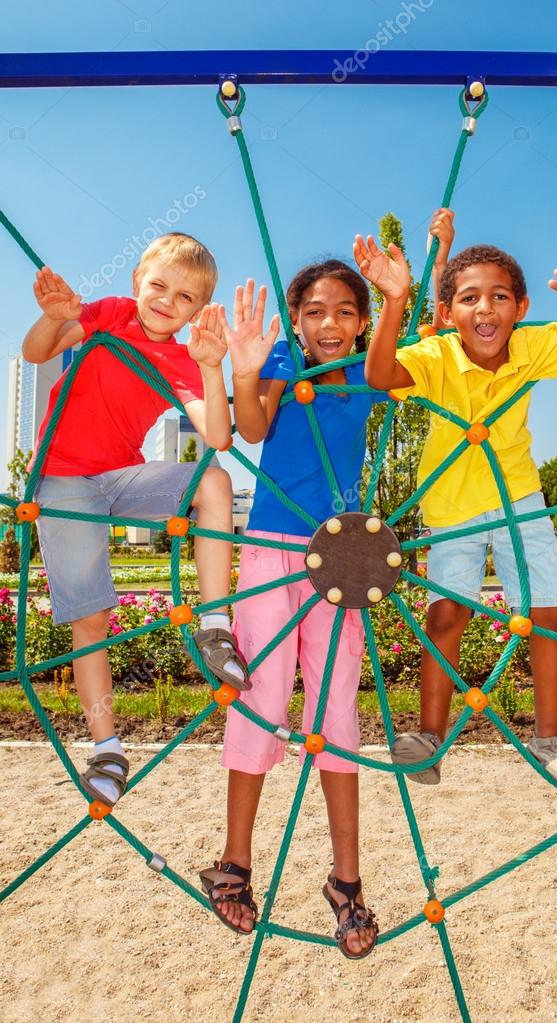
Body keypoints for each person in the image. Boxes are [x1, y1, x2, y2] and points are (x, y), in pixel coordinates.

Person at [359, 220, 557, 794]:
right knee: (446, 615)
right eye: (469, 298)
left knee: (548, 610)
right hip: (452, 504)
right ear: (447, 311)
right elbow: (380, 374)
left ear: (521, 307)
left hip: (518, 498)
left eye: (500, 297)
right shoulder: (436, 354)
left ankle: (549, 739)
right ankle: (430, 738)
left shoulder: (534, 345)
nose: (485, 309)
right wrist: (395, 300)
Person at [199, 262, 386, 959]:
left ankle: (346, 881)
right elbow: (251, 428)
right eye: (313, 311)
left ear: (362, 322)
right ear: (297, 320)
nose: (328, 323)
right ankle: (234, 862)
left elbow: (407, 355)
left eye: (344, 311)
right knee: (259, 697)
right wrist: (247, 369)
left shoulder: (369, 368)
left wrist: (400, 294)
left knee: (337, 713)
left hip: (342, 553)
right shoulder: (284, 359)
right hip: (274, 545)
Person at [23, 233, 248, 808]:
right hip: (64, 481)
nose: (168, 301)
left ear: (198, 310)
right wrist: (55, 318)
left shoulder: (181, 359)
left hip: (120, 476)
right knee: (90, 618)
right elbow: (37, 352)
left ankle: (214, 623)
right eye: (159, 286)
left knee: (214, 480)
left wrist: (212, 367)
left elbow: (219, 437)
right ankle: (108, 749)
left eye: (186, 297)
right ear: (136, 284)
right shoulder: (111, 315)